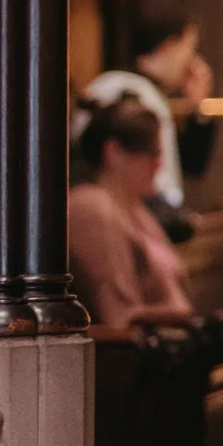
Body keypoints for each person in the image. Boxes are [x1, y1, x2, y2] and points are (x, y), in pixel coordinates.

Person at [79, 12, 217, 238]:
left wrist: (197, 108)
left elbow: (193, 164)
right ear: (169, 47)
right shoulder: (121, 88)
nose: (193, 62)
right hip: (123, 223)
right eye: (189, 48)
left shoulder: (151, 95)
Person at [68, 98, 196, 327]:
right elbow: (119, 315)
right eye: (153, 153)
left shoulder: (137, 210)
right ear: (114, 152)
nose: (160, 164)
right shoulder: (90, 207)